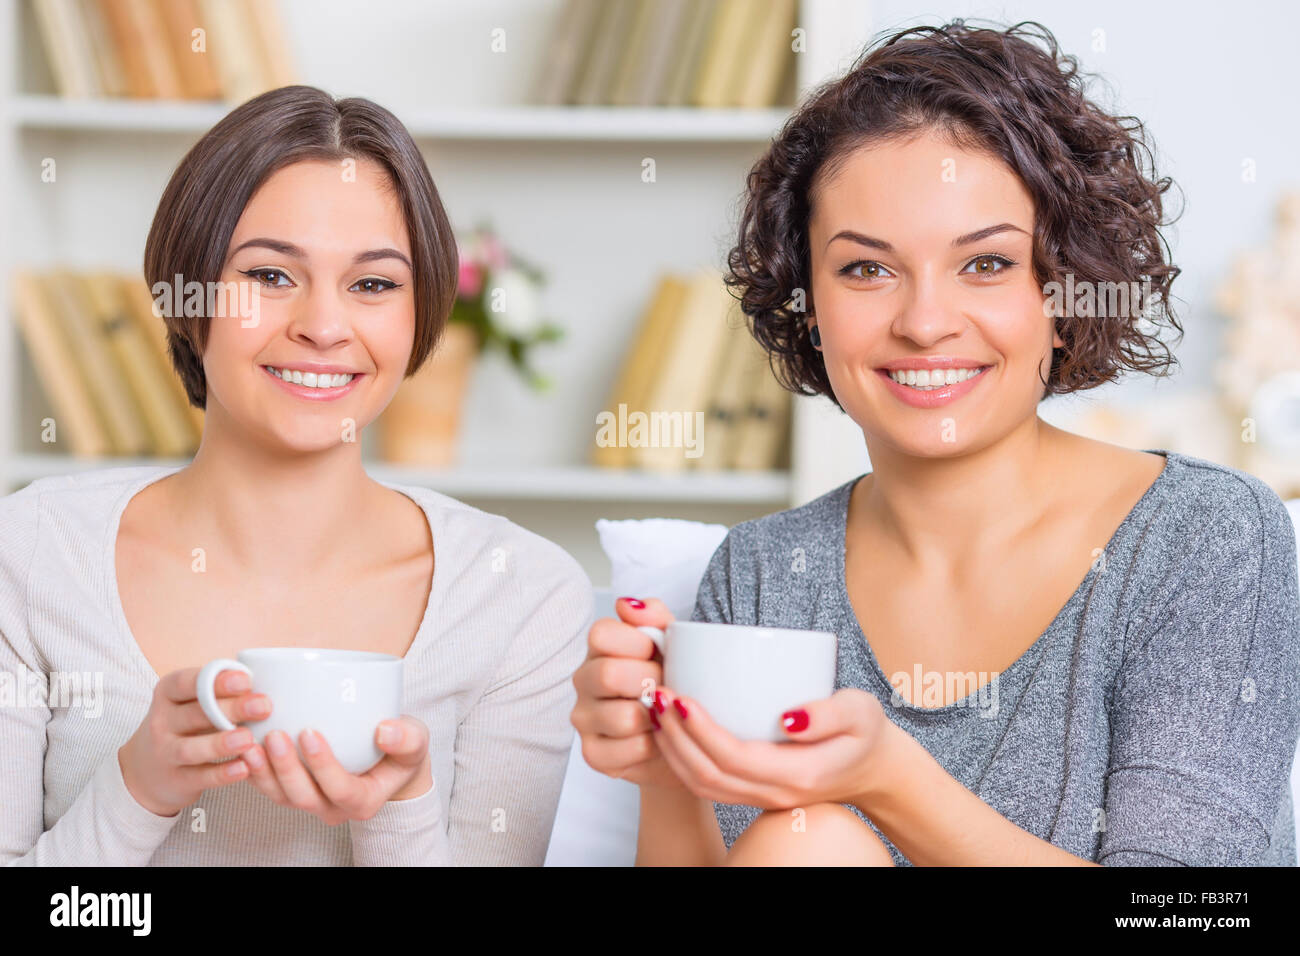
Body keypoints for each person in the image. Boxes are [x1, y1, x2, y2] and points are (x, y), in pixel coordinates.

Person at [571, 20, 1300, 866]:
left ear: (1063, 289)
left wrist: (890, 780)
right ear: (806, 302)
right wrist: (662, 769)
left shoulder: (1205, 535)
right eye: (866, 269)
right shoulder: (766, 572)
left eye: (985, 264)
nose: (922, 323)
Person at [0, 85, 592, 866]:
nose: (321, 324)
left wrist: (398, 804)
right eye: (271, 275)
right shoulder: (34, 553)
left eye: (374, 284)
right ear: (189, 292)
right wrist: (137, 788)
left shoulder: (520, 594)